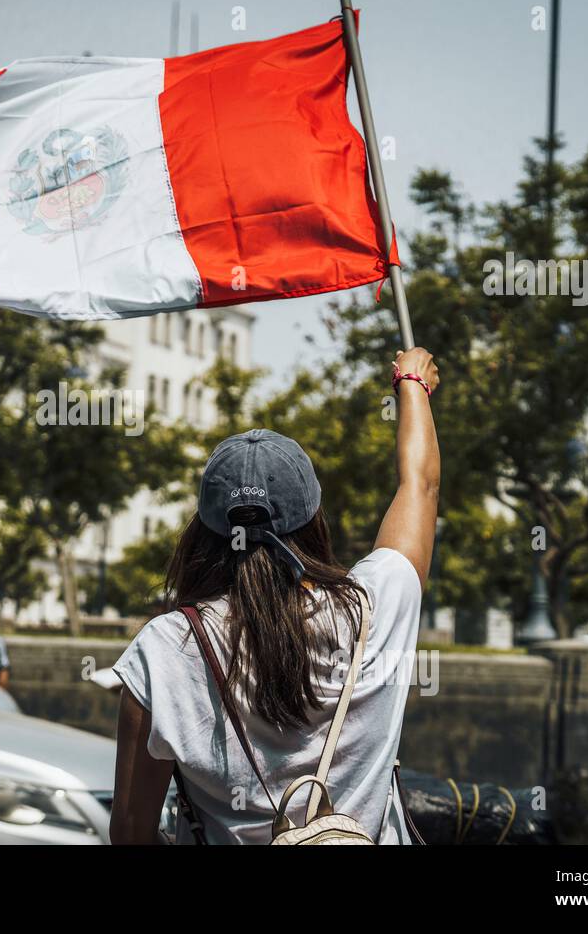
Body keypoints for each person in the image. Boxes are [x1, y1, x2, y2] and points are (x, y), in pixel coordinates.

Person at [110, 347, 441, 845]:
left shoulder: (166, 649)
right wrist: (412, 384)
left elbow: (132, 833)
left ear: (202, 532)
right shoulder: (372, 608)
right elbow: (420, 486)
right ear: (314, 522)